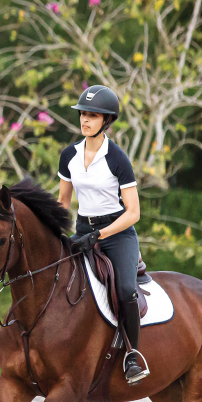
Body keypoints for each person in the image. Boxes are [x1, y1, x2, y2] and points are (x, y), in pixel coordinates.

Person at [57, 85, 149, 385]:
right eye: (83, 114)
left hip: (117, 234)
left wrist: (100, 235)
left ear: (106, 120)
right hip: (83, 229)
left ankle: (133, 355)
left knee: (124, 290)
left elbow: (133, 212)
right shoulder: (68, 155)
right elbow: (63, 204)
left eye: (92, 116)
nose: (85, 120)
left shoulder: (117, 158)